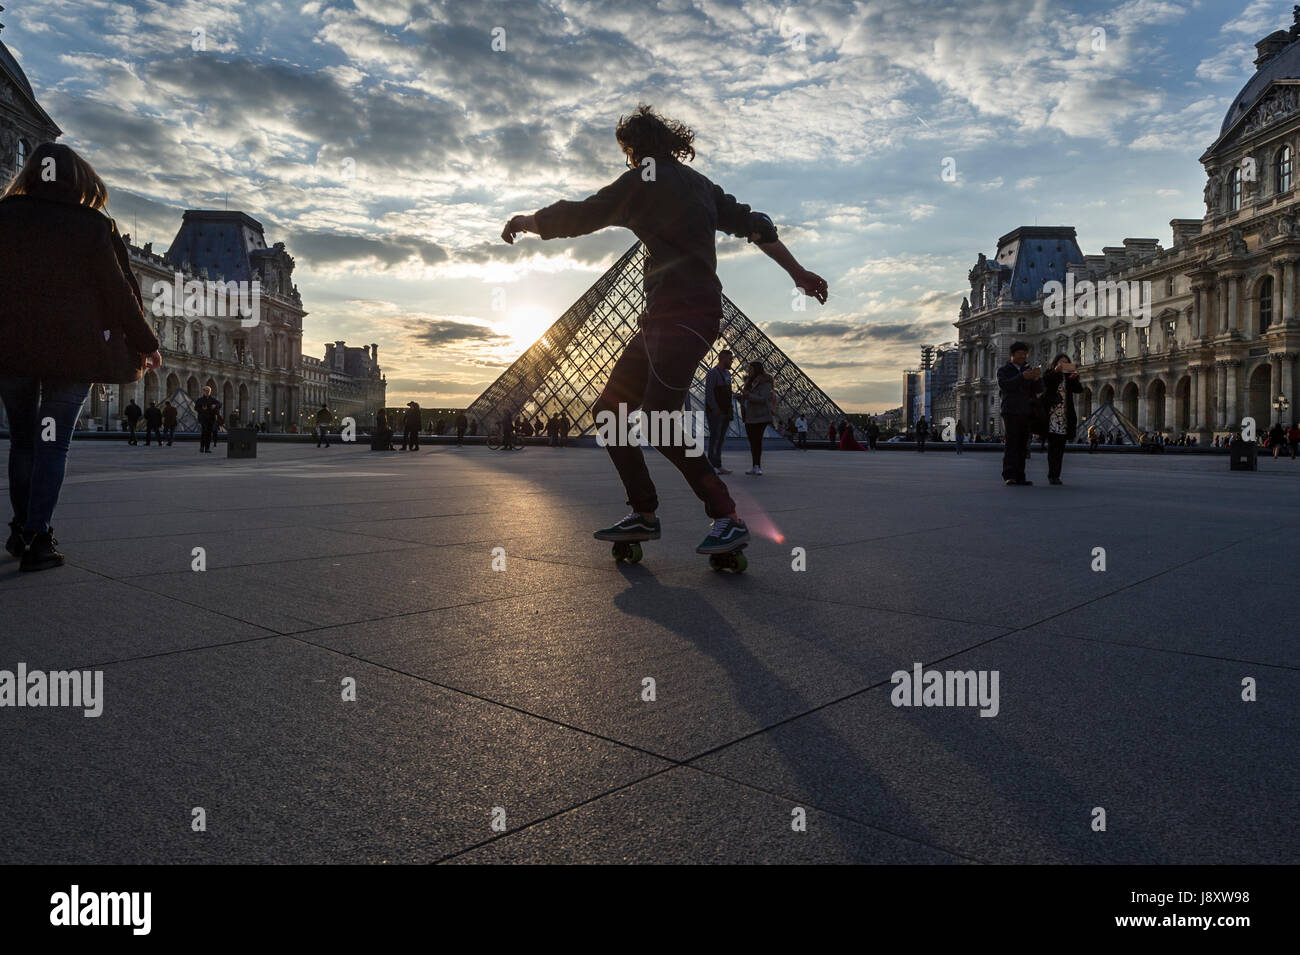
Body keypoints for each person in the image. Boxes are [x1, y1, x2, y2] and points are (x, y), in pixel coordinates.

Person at [501, 103, 826, 554]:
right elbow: (759, 226)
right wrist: (798, 273)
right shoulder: (701, 185)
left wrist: (528, 222)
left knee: (650, 417)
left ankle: (726, 518)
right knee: (611, 412)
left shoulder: (639, 181)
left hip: (681, 317)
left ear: (633, 148)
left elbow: (582, 215)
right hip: (677, 318)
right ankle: (644, 514)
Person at [0, 142, 161, 571]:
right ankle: (37, 536)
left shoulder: (5, 215)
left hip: (11, 348)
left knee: (21, 441)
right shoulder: (92, 225)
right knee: (51, 444)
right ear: (80, 179)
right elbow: (120, 292)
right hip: (71, 354)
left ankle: (19, 529)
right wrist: (147, 343)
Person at [997, 341, 1042, 486]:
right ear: (1012, 355)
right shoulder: (1004, 370)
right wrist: (1022, 377)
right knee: (1011, 444)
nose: (1023, 356)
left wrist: (1036, 379)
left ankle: (1020, 475)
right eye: (1020, 353)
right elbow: (1005, 385)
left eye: (1025, 353)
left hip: (1026, 411)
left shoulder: (1028, 369)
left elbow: (1038, 389)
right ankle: (1009, 475)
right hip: (1010, 411)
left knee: (1023, 445)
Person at [1041, 353, 1083, 485]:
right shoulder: (1050, 373)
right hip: (1052, 415)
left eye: (1066, 362)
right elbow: (1045, 382)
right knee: (1053, 447)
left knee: (1060, 448)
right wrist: (1056, 371)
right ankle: (1052, 475)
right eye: (1061, 362)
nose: (1063, 364)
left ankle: (1056, 475)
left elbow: (1079, 390)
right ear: (1056, 363)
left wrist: (1075, 379)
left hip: (1064, 416)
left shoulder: (1068, 377)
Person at [738, 360, 777, 475]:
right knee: (752, 442)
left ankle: (757, 466)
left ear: (756, 369)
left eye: (750, 369)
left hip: (760, 416)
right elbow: (748, 399)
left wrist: (748, 395)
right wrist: (741, 398)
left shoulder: (766, 383)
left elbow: (763, 399)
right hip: (749, 416)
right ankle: (754, 465)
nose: (748, 371)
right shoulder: (748, 382)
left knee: (757, 441)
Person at [704, 348, 734, 474]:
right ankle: (712, 465)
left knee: (720, 439)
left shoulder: (728, 374)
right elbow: (709, 392)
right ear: (722, 358)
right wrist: (715, 408)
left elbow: (726, 393)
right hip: (716, 412)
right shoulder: (713, 373)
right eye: (730, 358)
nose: (732, 361)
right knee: (715, 438)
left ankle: (718, 464)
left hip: (726, 411)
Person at [194, 386, 221, 453]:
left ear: (210, 392)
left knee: (209, 433)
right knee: (204, 432)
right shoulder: (200, 400)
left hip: (211, 418)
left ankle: (207, 448)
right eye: (206, 391)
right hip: (203, 418)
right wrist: (202, 409)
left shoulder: (213, 400)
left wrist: (215, 406)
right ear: (203, 391)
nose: (207, 392)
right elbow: (196, 408)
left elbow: (220, 403)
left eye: (208, 391)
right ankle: (202, 447)